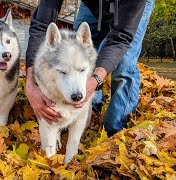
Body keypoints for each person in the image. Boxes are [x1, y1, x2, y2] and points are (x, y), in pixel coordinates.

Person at [25, 0, 155, 137]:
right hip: (92, 5)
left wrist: (97, 78)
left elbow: (120, 38)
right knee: (76, 52)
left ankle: (117, 129)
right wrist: (31, 82)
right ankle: (87, 113)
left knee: (124, 62)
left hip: (129, 7)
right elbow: (41, 26)